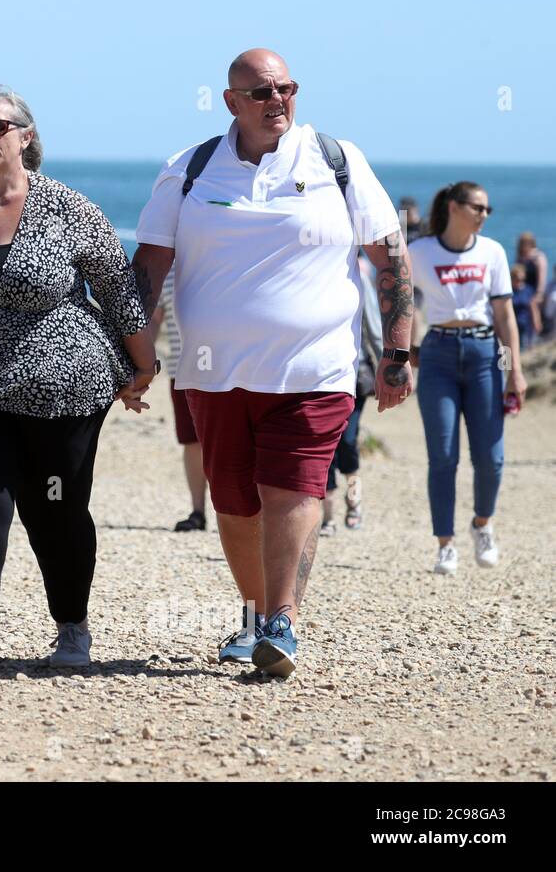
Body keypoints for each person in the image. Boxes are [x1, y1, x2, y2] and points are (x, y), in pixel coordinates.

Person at [131, 48, 412, 678]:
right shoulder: (190, 168)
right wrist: (137, 355)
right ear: (230, 101)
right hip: (212, 369)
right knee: (232, 497)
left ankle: (281, 621)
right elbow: (149, 266)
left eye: (286, 88)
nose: (277, 100)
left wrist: (397, 350)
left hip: (315, 368)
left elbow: (390, 257)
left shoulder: (337, 161)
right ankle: (254, 615)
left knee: (293, 486)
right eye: (261, 92)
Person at [0, 87, 154, 684]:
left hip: (61, 383)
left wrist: (143, 365)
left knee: (55, 509)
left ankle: (72, 627)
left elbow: (117, 288)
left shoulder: (66, 207)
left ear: (26, 135)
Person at [409, 182, 527, 574]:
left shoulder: (491, 251)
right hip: (438, 353)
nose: (484, 214)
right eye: (478, 207)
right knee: (443, 457)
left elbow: (505, 317)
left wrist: (516, 371)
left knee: (491, 459)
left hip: (483, 355)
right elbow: (402, 304)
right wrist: (404, 352)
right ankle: (445, 544)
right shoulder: (420, 251)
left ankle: (483, 524)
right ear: (455, 208)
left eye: (488, 209)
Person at [321, 252, 382, 535]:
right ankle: (327, 517)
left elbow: (373, 325)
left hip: (355, 375)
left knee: (347, 440)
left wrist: (387, 366)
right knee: (323, 445)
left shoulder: (358, 276)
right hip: (319, 375)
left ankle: (354, 499)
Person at [152, 270, 207, 532]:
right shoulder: (167, 268)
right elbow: (155, 319)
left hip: (228, 372)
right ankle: (198, 511)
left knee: (230, 442)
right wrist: (142, 364)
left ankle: (233, 511)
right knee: (191, 440)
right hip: (181, 370)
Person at [511, 263, 540, 350]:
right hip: (513, 325)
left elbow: (533, 308)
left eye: (522, 279)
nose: (520, 282)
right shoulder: (509, 291)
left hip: (526, 324)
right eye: (518, 279)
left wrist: (536, 322)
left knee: (526, 346)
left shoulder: (528, 290)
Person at [516, 231, 547, 298]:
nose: (524, 245)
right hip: (521, 291)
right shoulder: (520, 258)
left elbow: (542, 276)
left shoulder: (538, 256)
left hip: (534, 290)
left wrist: (539, 293)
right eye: (523, 243)